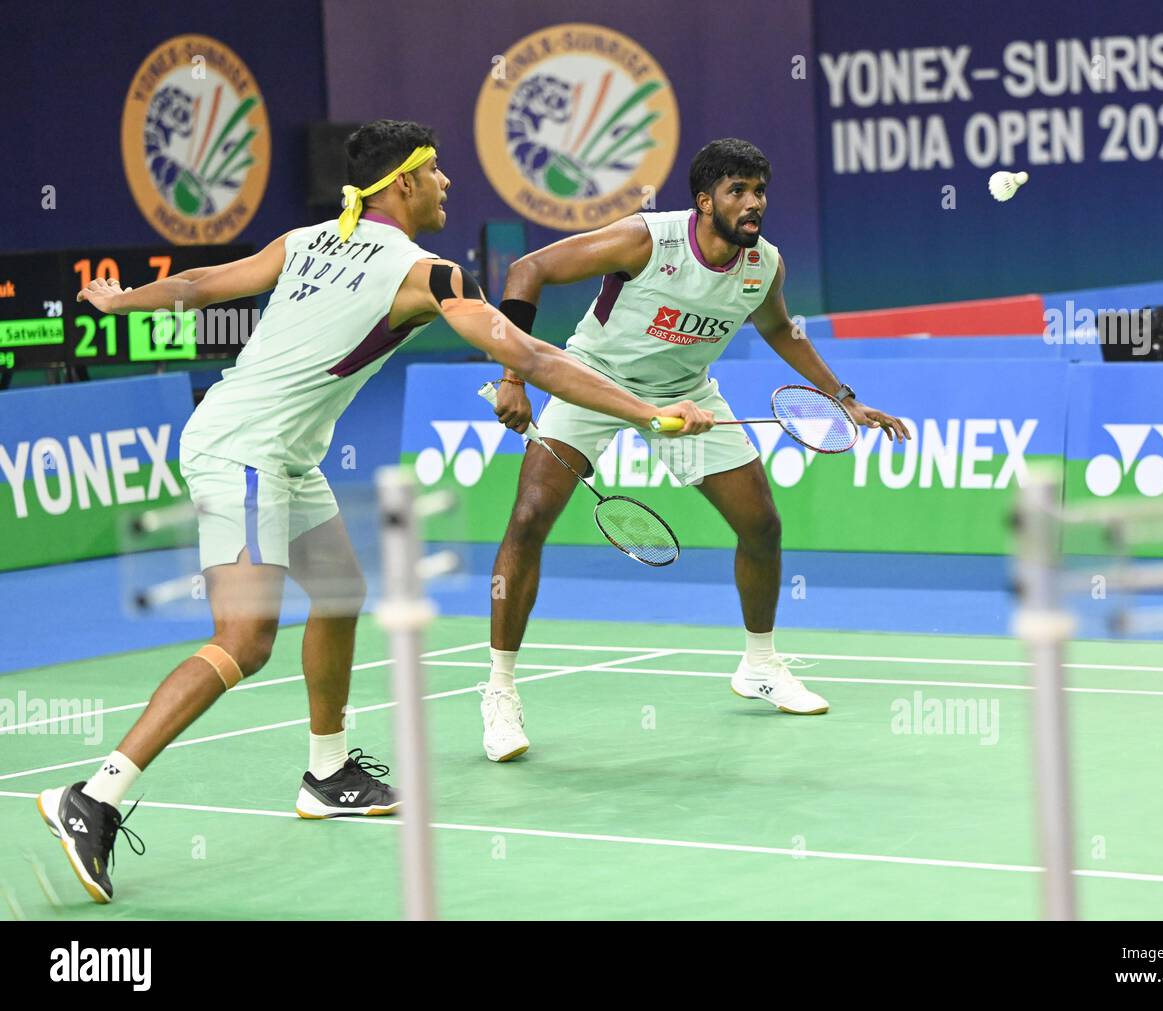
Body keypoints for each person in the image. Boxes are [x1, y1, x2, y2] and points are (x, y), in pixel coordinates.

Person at [36, 119, 712, 903]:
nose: (450, 185)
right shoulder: (432, 276)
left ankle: (327, 771)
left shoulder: (308, 239)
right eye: (439, 173)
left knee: (340, 593)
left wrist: (124, 302)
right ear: (405, 184)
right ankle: (94, 797)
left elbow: (196, 286)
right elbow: (529, 356)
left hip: (281, 452)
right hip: (243, 451)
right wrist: (647, 411)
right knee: (245, 640)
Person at [481, 138, 910, 762]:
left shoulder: (764, 265)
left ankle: (760, 665)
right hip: (593, 381)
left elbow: (780, 331)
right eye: (738, 191)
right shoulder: (647, 241)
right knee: (528, 519)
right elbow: (527, 271)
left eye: (760, 190)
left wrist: (843, 396)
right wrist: (514, 376)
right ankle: (499, 692)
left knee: (760, 522)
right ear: (705, 201)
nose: (754, 203)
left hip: (688, 397)